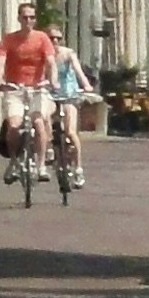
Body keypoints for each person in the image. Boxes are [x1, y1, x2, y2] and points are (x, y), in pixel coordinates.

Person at [0, 4, 57, 165]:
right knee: (14, 126)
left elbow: (51, 62)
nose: (28, 21)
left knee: (38, 122)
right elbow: (0, 62)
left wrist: (52, 81)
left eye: (32, 17)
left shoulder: (42, 38)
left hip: (37, 88)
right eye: (25, 17)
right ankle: (14, 161)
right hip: (15, 88)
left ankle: (41, 164)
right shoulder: (9, 40)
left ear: (35, 20)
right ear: (19, 19)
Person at [46, 29, 96, 183]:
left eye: (58, 38)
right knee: (44, 116)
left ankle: (79, 168)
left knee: (70, 131)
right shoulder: (43, 54)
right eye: (51, 38)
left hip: (69, 94)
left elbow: (77, 70)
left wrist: (86, 84)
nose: (54, 41)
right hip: (50, 94)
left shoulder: (68, 54)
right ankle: (48, 148)